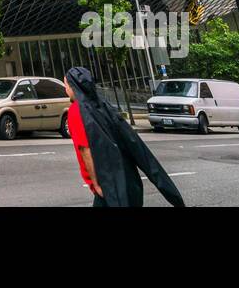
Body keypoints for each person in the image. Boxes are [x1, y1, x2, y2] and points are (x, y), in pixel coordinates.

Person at [63, 66, 184, 208]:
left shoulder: (76, 111)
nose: (65, 90)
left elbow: (85, 150)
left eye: (66, 85)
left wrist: (95, 184)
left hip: (110, 184)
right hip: (129, 178)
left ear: (73, 87)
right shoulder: (104, 106)